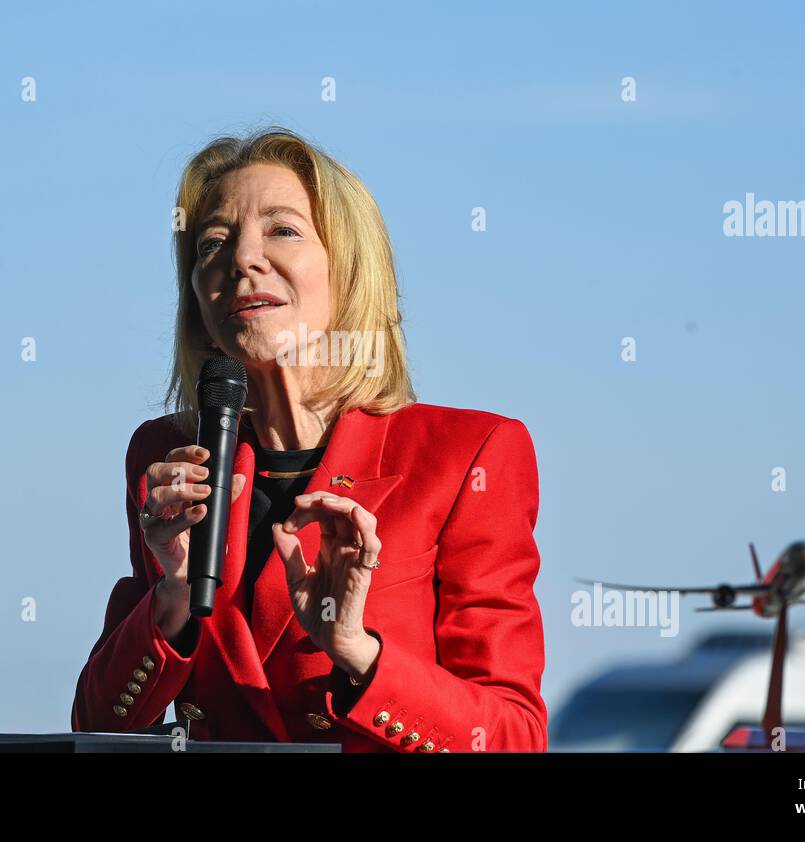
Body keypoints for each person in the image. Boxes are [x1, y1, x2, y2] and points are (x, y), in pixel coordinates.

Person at [71, 127, 547, 752]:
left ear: (349, 272)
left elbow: (513, 736)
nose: (241, 258)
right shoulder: (167, 457)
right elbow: (96, 727)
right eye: (213, 243)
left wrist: (357, 651)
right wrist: (174, 596)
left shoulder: (470, 455)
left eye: (282, 229)